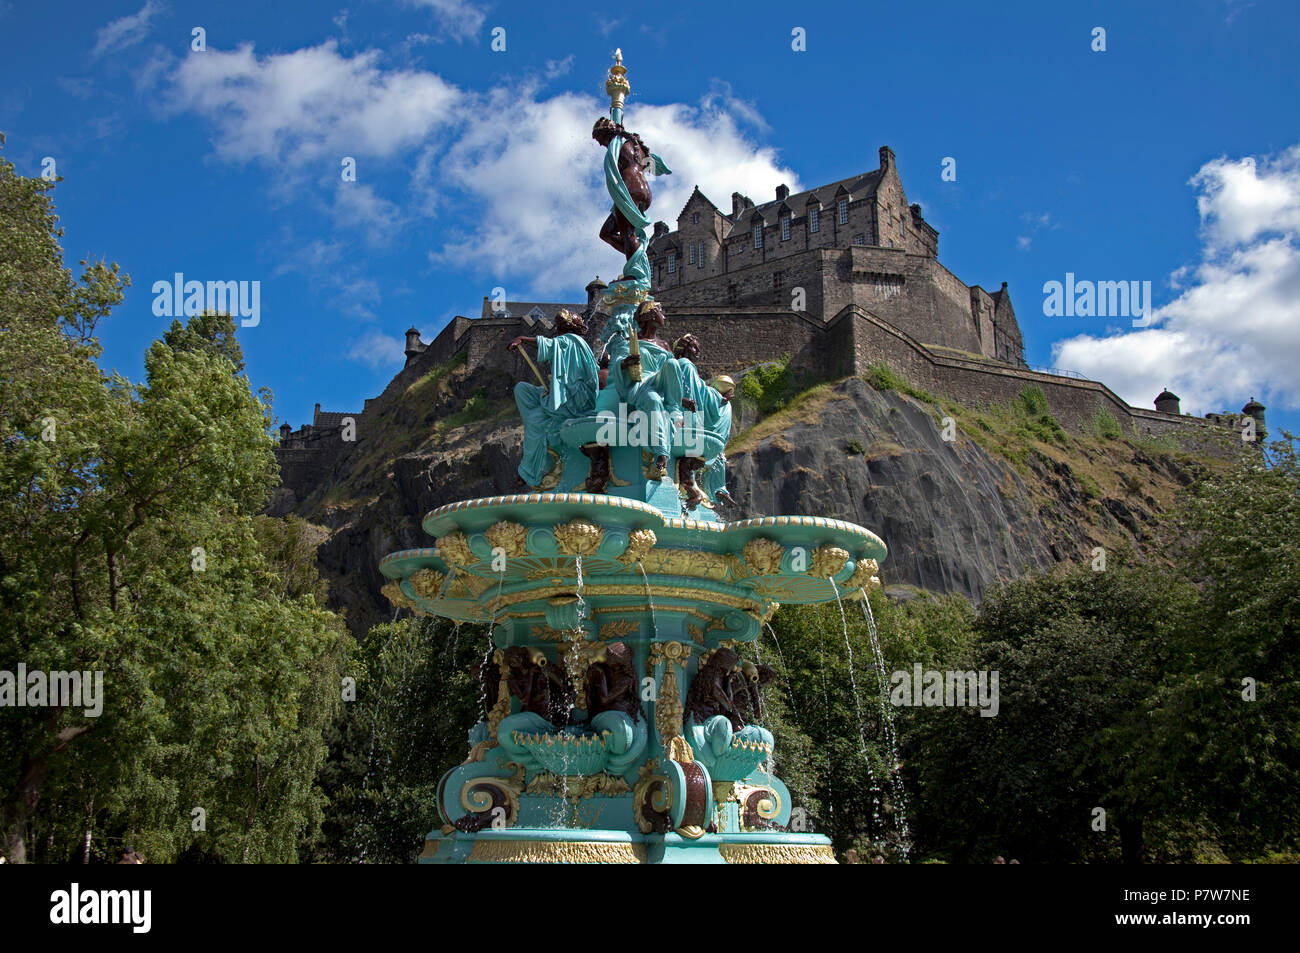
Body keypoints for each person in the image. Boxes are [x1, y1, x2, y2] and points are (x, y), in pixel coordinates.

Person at [508, 309, 598, 488]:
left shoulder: (571, 340)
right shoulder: (572, 343)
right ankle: (541, 432)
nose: (556, 328)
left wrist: (523, 339)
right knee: (523, 389)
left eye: (558, 325)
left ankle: (529, 472)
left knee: (535, 420)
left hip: (575, 400)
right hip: (566, 392)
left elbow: (549, 346)